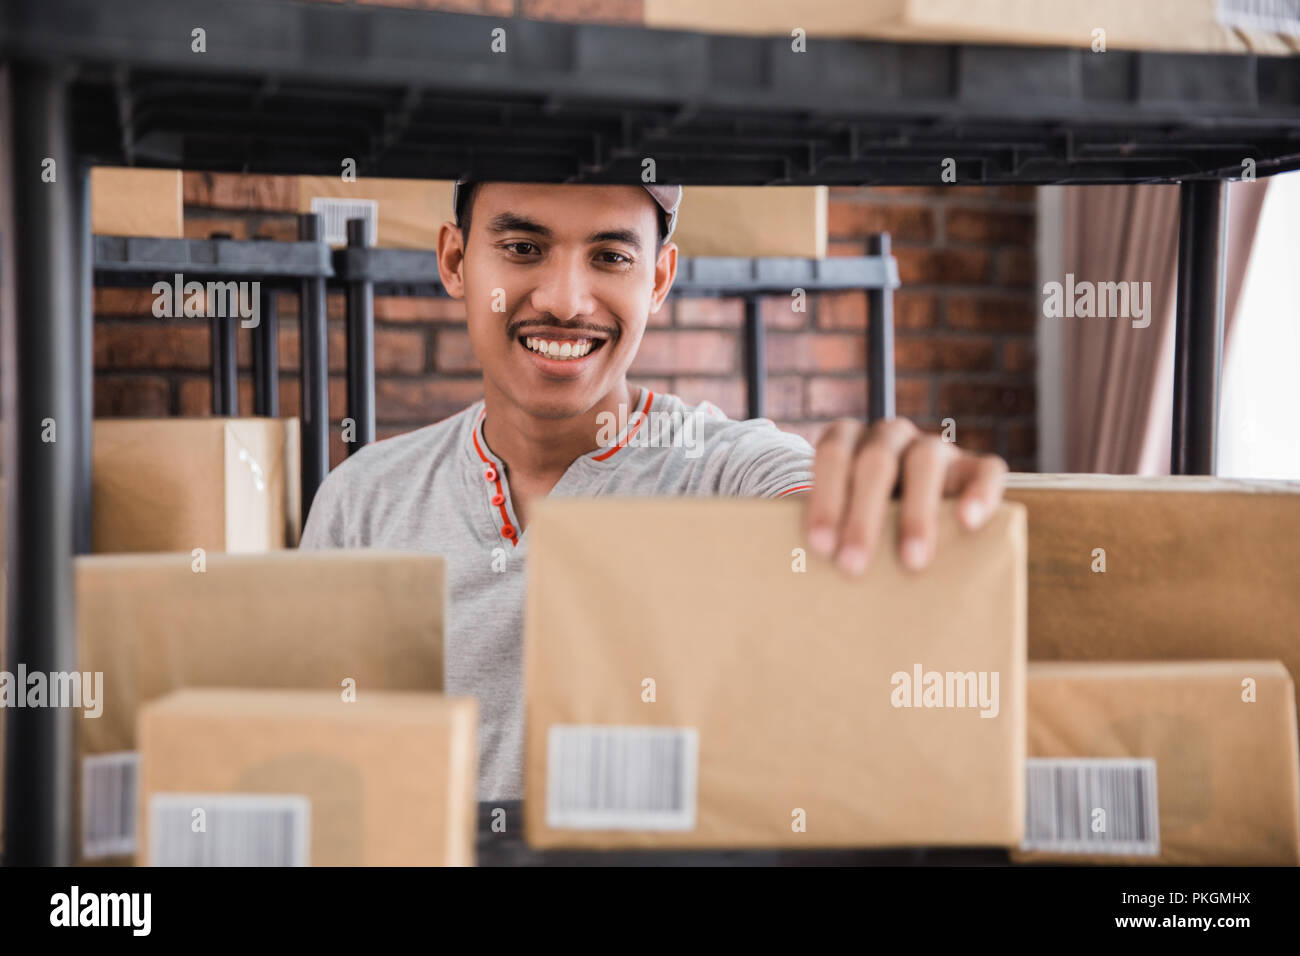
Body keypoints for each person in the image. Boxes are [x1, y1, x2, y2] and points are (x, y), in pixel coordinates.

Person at [300, 180, 1009, 801]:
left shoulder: (721, 471)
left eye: (610, 257)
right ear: (456, 260)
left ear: (660, 278)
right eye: (522, 248)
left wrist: (884, 509)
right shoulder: (364, 500)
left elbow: (804, 501)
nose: (565, 300)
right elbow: (317, 766)